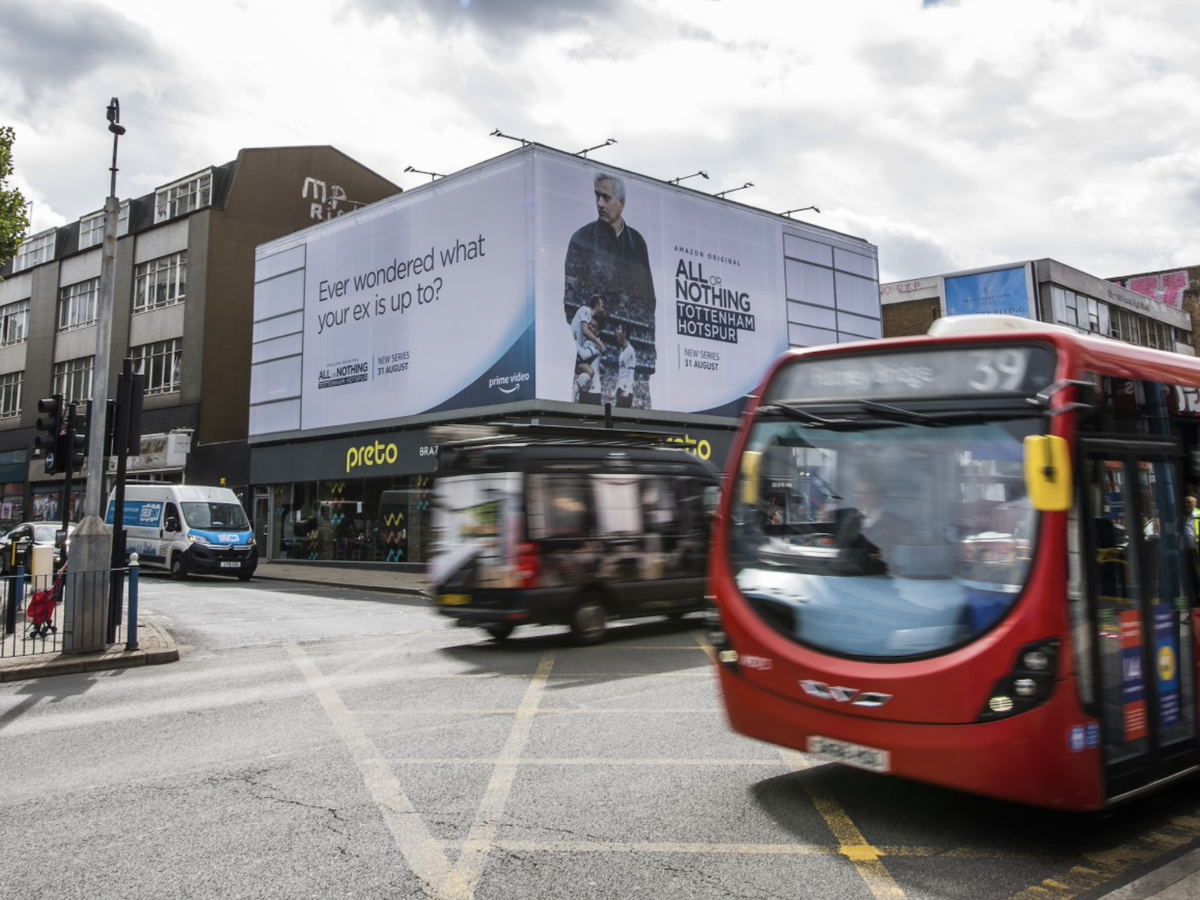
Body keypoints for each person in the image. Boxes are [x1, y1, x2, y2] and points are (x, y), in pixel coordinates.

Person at [563, 171, 657, 408]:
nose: (599, 203)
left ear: (622, 203)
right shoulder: (581, 240)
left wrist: (644, 360)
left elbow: (649, 303)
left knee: (638, 430)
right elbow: (571, 305)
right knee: (591, 431)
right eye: (596, 196)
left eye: (605, 197)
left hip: (633, 365)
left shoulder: (638, 243)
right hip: (597, 362)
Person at [853, 476, 912, 563]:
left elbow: (907, 559)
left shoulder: (900, 526)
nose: (861, 498)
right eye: (858, 494)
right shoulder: (847, 524)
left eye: (867, 494)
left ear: (879, 496)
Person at [570, 294, 606, 402]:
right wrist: (600, 344)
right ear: (596, 305)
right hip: (571, 347)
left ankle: (576, 391)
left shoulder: (590, 321)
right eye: (602, 307)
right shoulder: (584, 310)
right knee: (590, 371)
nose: (603, 309)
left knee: (592, 371)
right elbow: (585, 330)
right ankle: (574, 392)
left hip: (576, 351)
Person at [614, 323, 637, 408]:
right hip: (620, 390)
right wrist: (614, 392)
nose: (617, 331)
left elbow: (631, 375)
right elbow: (621, 375)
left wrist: (627, 392)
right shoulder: (622, 351)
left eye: (619, 329)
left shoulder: (630, 351)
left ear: (624, 333)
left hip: (625, 392)